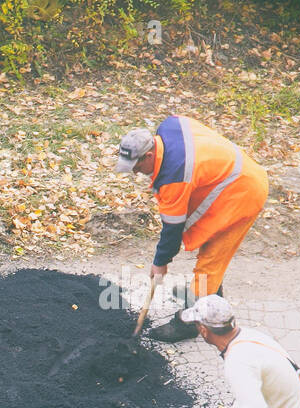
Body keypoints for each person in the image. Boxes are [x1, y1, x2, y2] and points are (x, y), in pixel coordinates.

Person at [115, 116, 268, 342]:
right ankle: (210, 298)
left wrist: (160, 264)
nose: (136, 172)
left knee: (209, 264)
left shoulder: (174, 176)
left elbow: (172, 231)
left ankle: (189, 323)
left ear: (149, 156)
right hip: (226, 180)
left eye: (137, 166)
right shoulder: (169, 126)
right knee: (208, 261)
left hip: (243, 193)